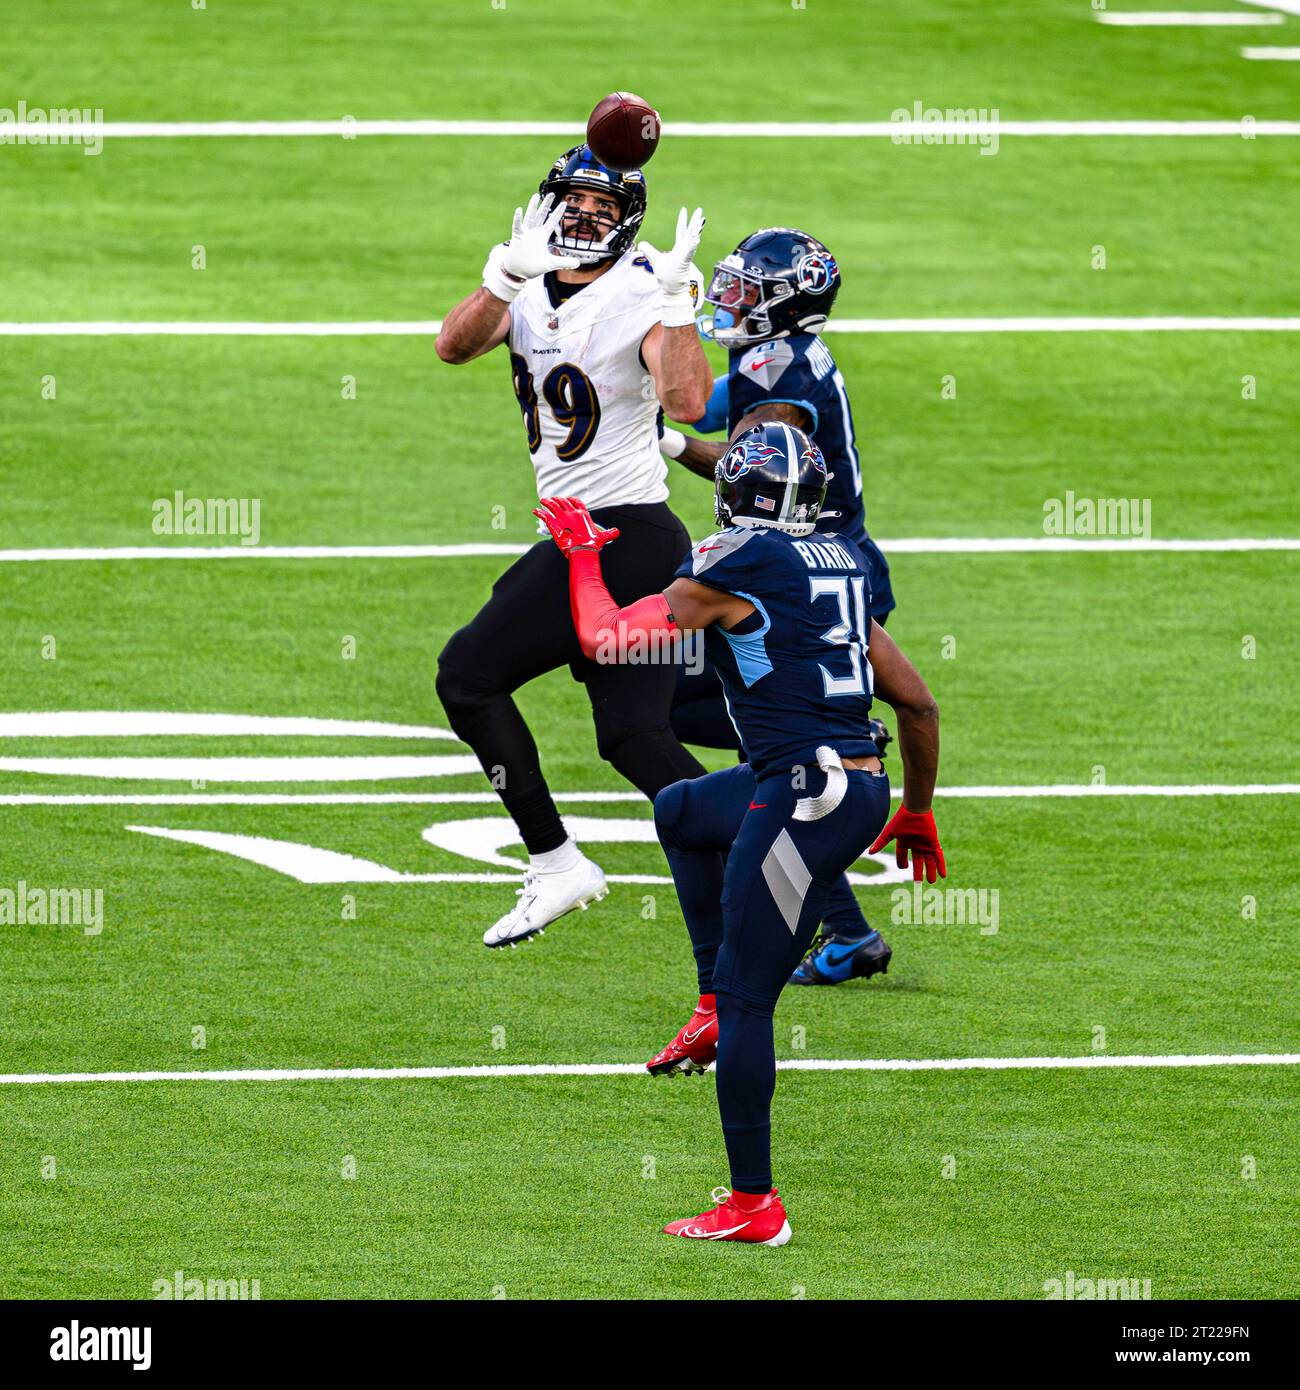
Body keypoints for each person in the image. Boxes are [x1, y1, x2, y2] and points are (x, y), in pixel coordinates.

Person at [534, 421, 945, 1244]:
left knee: (756, 992)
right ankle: (711, 1003)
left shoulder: (736, 563)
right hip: (845, 783)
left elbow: (604, 638)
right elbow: (917, 702)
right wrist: (917, 809)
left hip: (805, 796)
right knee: (681, 811)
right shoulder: (845, 562)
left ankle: (755, 1204)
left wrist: (580, 556)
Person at [433, 145, 713, 947]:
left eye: (605, 204)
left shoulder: (643, 289)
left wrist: (678, 305)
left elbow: (688, 401)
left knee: (468, 676)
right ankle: (782, 875)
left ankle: (557, 862)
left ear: (630, 220)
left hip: (621, 534)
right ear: (549, 201)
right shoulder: (527, 275)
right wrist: (502, 280)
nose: (586, 215)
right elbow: (454, 346)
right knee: (635, 738)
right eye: (575, 199)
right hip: (592, 533)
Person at [661, 228, 897, 987]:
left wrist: (656, 446)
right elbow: (714, 413)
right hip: (815, 569)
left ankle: (810, 927)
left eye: (746, 292)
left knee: (774, 750)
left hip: (808, 575)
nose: (729, 300)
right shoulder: (773, 353)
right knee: (770, 748)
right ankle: (847, 931)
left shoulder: (782, 365)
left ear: (787, 307)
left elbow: (751, 476)